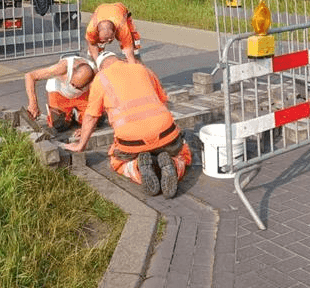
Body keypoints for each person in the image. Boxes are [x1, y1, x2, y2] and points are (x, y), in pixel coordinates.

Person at [64, 52, 191, 198]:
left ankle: (136, 168)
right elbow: (163, 100)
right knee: (182, 152)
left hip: (131, 142)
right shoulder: (142, 69)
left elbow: (91, 117)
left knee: (116, 161)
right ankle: (175, 166)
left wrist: (81, 145)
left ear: (100, 68)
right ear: (120, 60)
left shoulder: (101, 78)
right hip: (165, 133)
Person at [23, 55, 96, 133]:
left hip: (82, 96)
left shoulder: (96, 73)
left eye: (78, 87)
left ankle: (76, 115)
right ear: (72, 72)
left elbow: (100, 99)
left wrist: (86, 129)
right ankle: (68, 116)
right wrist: (33, 104)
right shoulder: (62, 68)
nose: (74, 87)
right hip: (59, 93)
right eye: (73, 84)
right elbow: (30, 76)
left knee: (95, 122)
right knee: (58, 125)